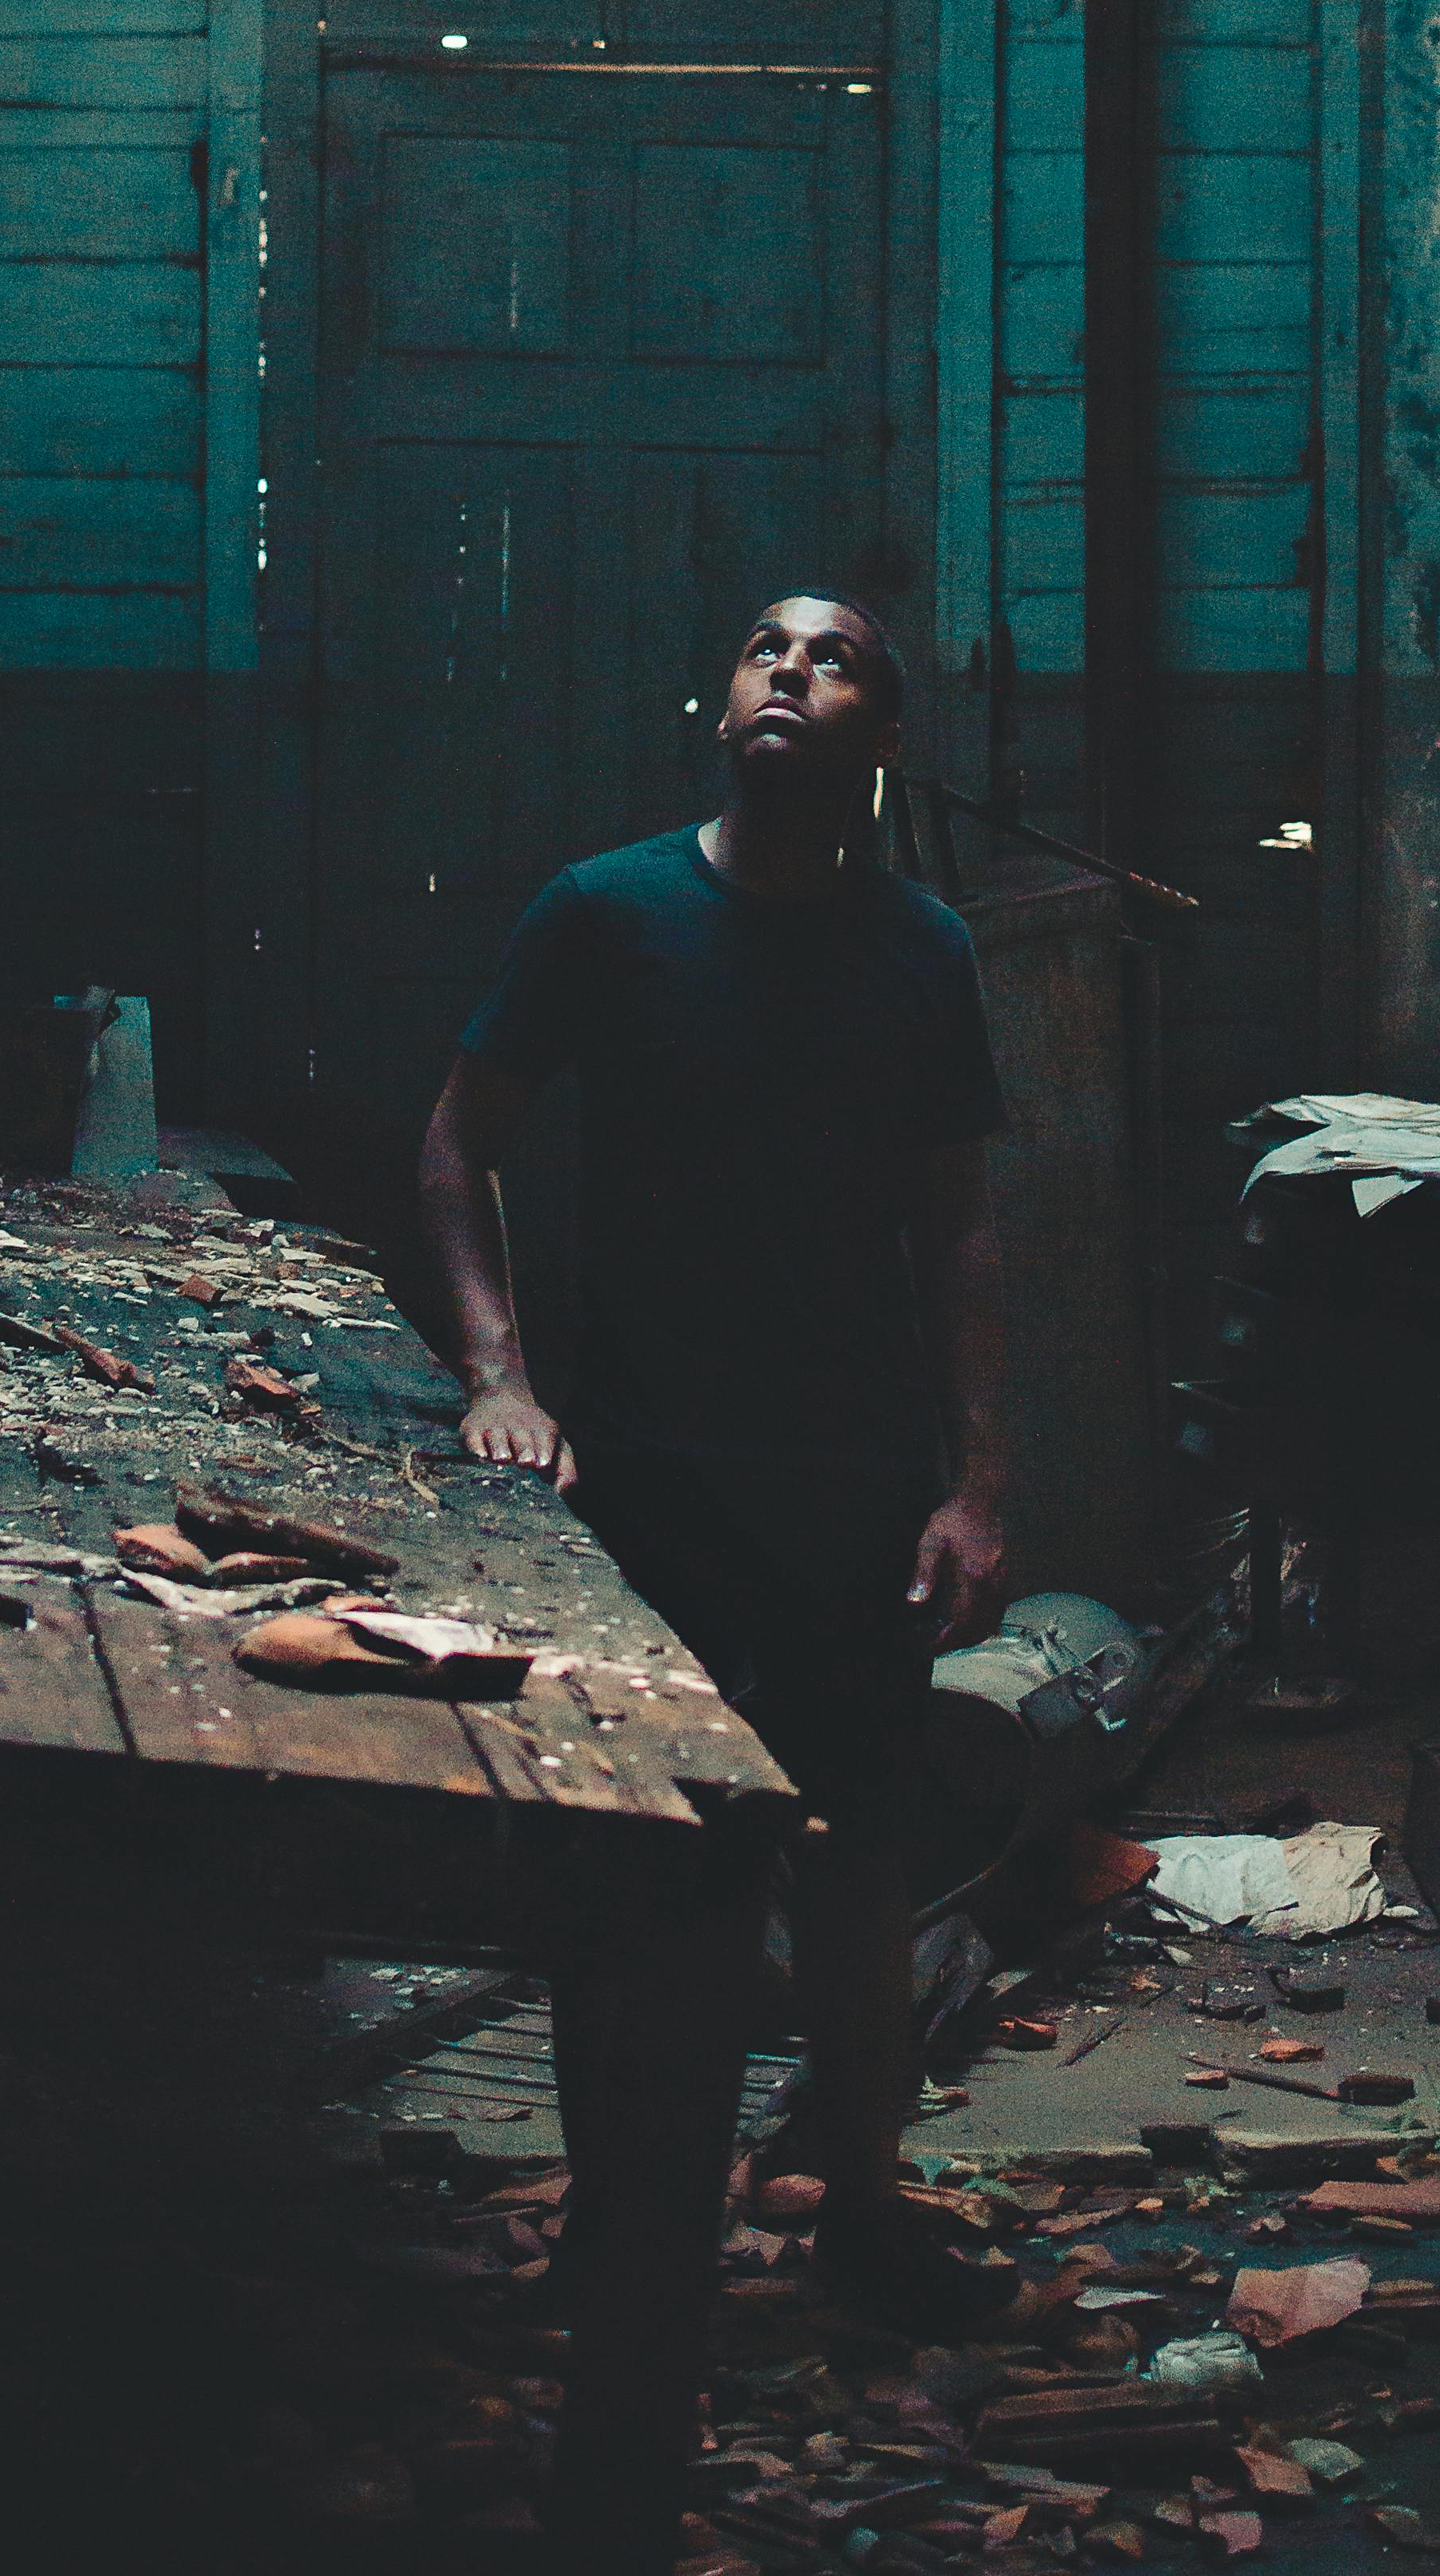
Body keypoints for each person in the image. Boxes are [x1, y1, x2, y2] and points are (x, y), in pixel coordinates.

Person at [417, 591, 1014, 2335]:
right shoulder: (608, 912)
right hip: (650, 1475)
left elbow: (962, 1233)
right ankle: (620, 2221)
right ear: (721, 701)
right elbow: (460, 1153)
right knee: (630, 1860)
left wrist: (979, 1482)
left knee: (854, 1859)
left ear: (881, 735)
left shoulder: (924, 947)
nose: (793, 674)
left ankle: (869, 2219)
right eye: (767, 649)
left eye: (833, 660)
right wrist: (500, 1374)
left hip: (849, 1477)